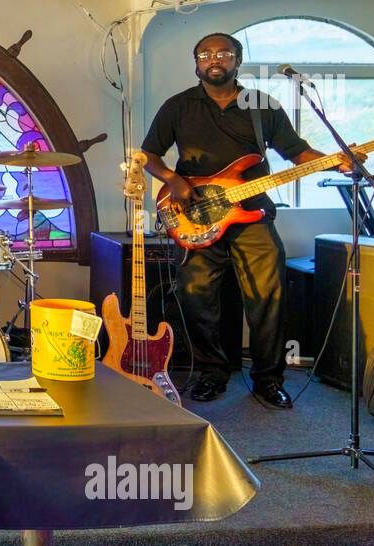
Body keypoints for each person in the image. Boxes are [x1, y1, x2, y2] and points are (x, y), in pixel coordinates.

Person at [141, 31, 357, 409]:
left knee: (268, 297)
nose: (214, 59)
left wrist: (336, 159)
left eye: (223, 53)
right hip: (196, 215)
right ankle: (212, 373)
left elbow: (297, 151)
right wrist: (173, 180)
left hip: (253, 214)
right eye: (205, 53)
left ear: (237, 61)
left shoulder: (261, 105)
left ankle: (268, 380)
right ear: (196, 63)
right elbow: (149, 155)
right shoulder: (177, 107)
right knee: (195, 297)